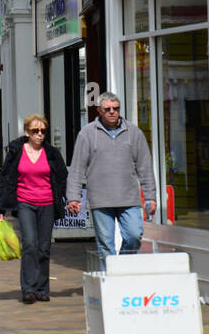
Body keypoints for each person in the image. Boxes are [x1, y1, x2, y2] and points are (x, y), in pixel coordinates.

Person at [66, 92, 156, 268]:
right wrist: (73, 197)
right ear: (99, 110)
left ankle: (119, 269)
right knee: (106, 245)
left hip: (129, 198)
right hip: (101, 200)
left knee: (133, 235)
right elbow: (77, 168)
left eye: (116, 108)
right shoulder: (87, 134)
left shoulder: (133, 132)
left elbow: (145, 167)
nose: (112, 112)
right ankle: (110, 283)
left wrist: (150, 196)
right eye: (107, 109)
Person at [0, 114, 68, 303]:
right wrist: (0, 207)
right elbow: (5, 178)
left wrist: (69, 199)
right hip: (24, 202)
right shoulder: (16, 151)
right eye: (35, 131)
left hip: (47, 203)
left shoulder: (51, 153)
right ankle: (27, 288)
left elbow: (62, 177)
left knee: (44, 247)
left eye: (43, 131)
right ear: (27, 132)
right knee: (30, 243)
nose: (40, 134)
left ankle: (42, 288)